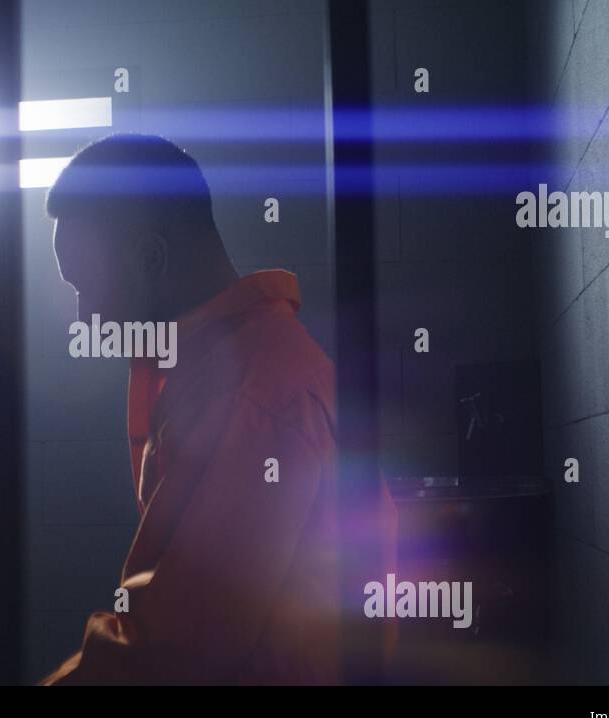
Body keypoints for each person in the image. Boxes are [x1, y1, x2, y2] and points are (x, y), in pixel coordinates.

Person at [39, 133, 397, 685]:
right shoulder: (239, 367)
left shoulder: (250, 395)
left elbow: (172, 656)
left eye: (84, 286)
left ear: (150, 258)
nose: (84, 315)